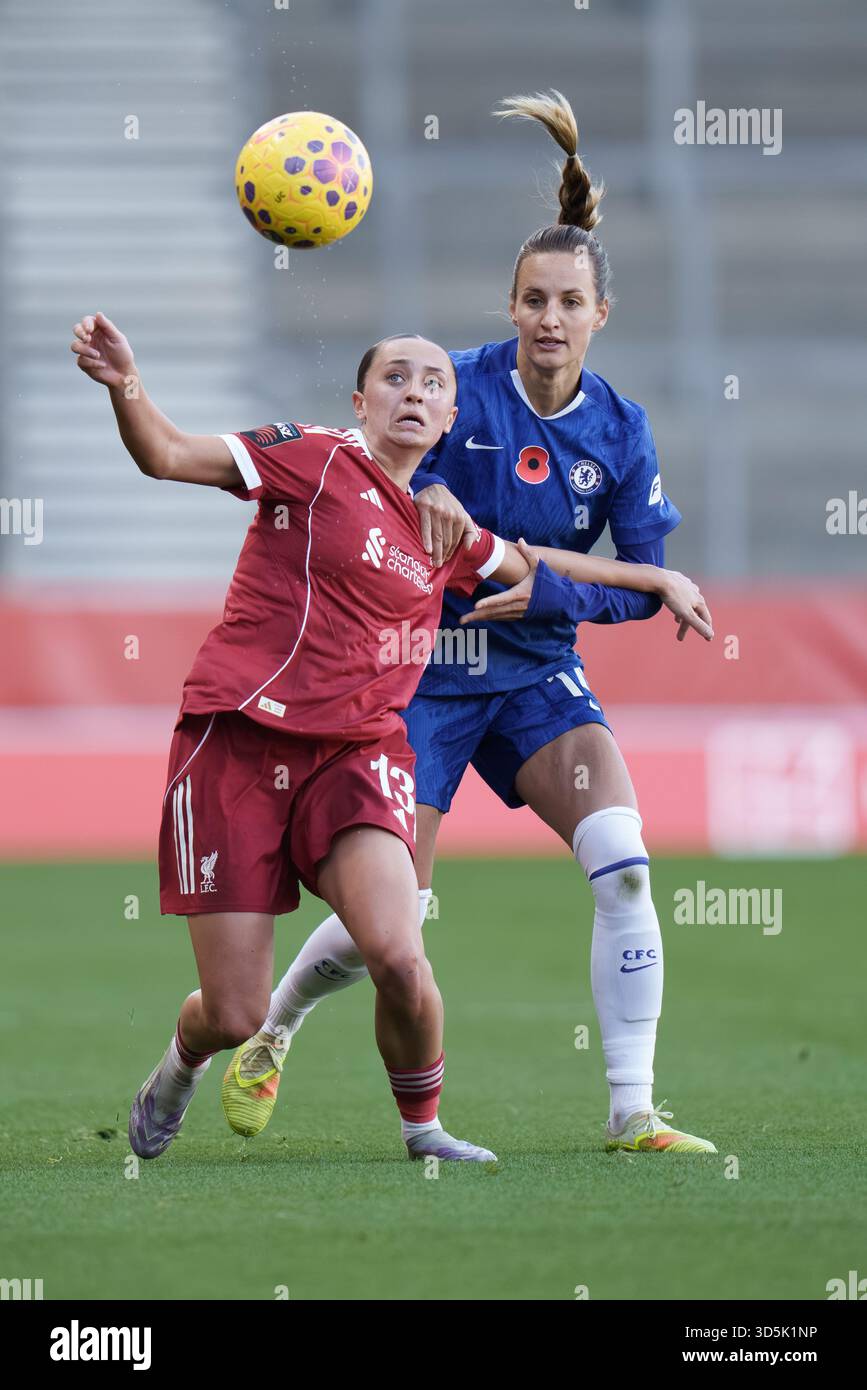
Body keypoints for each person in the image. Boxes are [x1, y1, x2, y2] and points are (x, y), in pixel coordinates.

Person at [70, 312, 706, 1163]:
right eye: (397, 378)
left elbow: (534, 564)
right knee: (232, 1013)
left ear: (449, 421)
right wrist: (126, 387)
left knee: (401, 956)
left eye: (434, 383)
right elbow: (168, 455)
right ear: (360, 399)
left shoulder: (442, 529)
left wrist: (655, 575)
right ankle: (181, 1068)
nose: (416, 392)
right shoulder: (313, 455)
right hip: (239, 743)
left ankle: (424, 1132)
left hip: (356, 754)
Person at [223, 92, 719, 1157]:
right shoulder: (448, 394)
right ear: (510, 306)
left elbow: (643, 581)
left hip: (538, 675)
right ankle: (274, 1026)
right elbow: (376, 492)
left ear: (599, 315)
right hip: (422, 679)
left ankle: (632, 1106)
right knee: (381, 931)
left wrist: (550, 591)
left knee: (625, 862)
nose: (548, 319)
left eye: (568, 302)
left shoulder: (622, 431)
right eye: (532, 299)